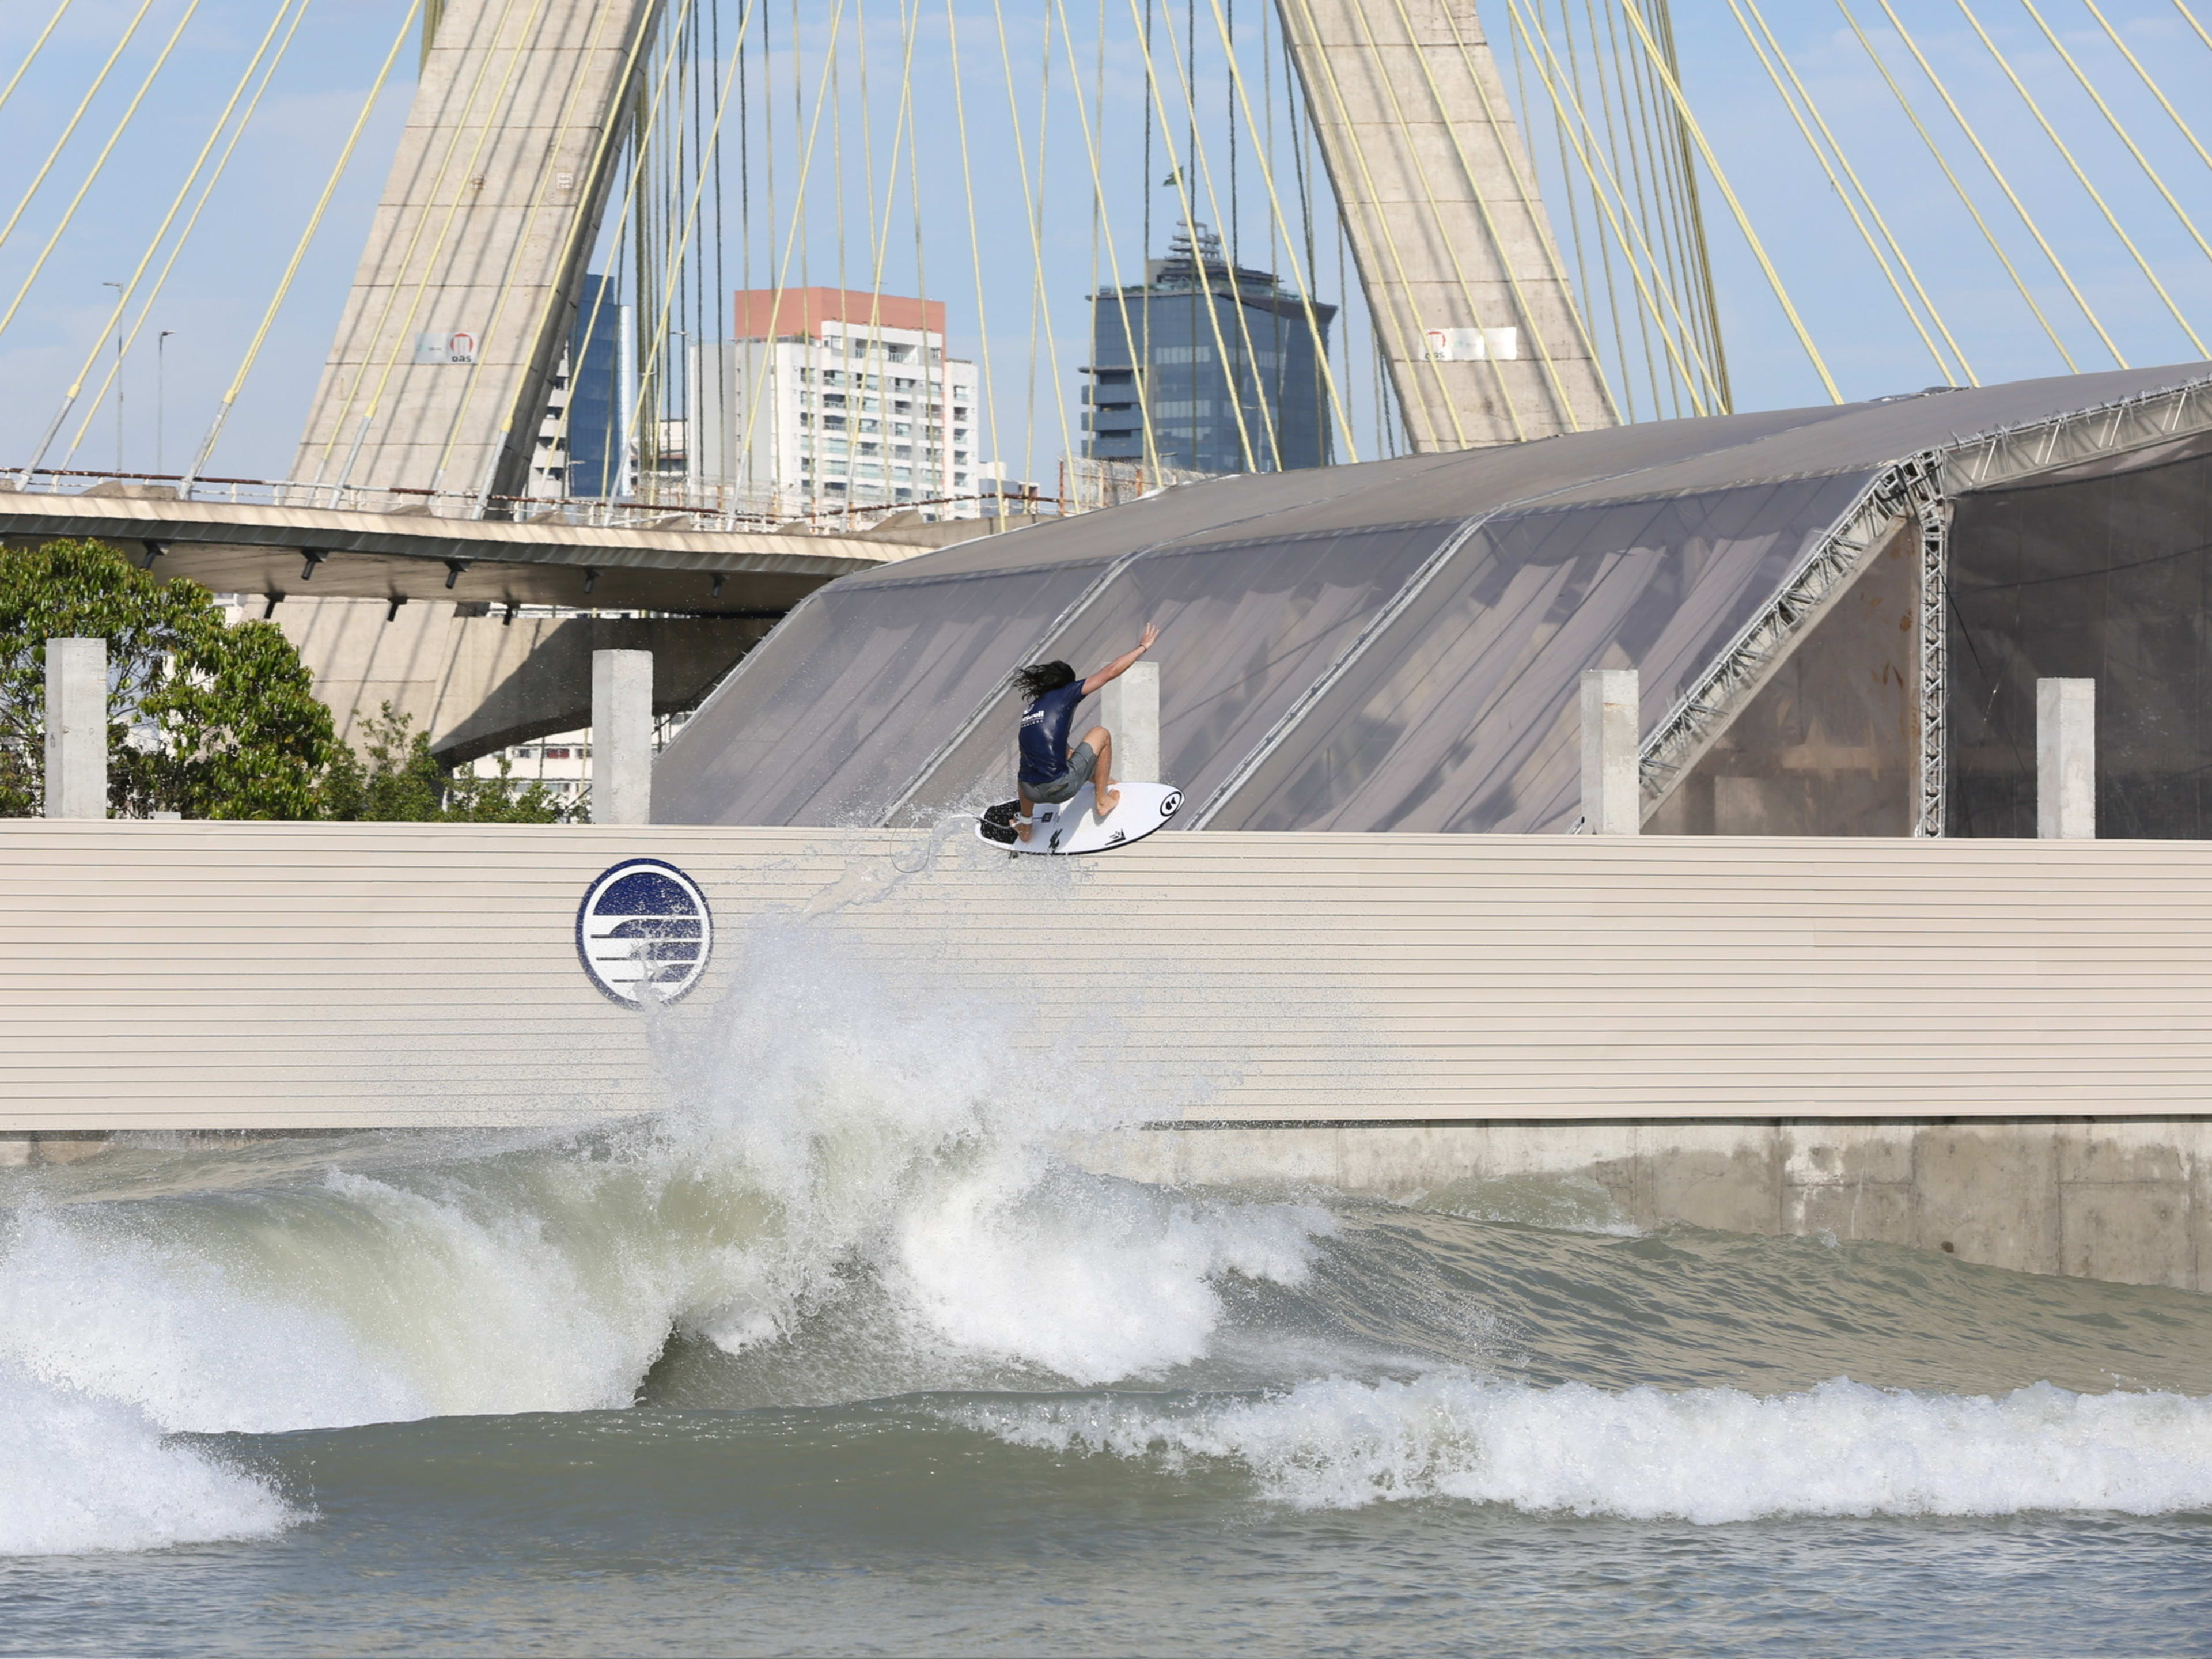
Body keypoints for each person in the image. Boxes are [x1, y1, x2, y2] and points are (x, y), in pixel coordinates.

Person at [1010, 623, 1159, 843]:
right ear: (1067, 684)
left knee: (1031, 755)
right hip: (1059, 789)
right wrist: (1142, 647)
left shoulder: (1031, 710)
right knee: (1101, 734)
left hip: (1029, 793)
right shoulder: (1065, 694)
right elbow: (1110, 672)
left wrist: (1101, 777)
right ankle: (1102, 801)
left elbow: (1065, 754)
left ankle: (1025, 825)